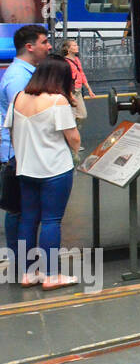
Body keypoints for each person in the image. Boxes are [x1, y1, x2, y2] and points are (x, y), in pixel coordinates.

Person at [7, 56, 80, 288]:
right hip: (55, 170)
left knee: (28, 220)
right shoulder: (58, 101)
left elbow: (11, 132)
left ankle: (28, 274)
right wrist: (76, 154)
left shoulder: (18, 98)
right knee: (51, 221)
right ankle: (51, 275)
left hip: (25, 169)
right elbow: (73, 137)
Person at [1, 24, 51, 275]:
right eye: (44, 42)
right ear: (30, 47)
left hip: (19, 149)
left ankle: (21, 260)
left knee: (19, 209)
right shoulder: (19, 77)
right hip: (17, 152)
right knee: (20, 210)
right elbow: (23, 114)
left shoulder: (24, 72)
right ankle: (22, 263)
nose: (49, 46)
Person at [59, 39, 95, 129]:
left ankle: (75, 131)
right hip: (71, 90)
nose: (77, 47)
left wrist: (89, 89)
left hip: (78, 90)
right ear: (68, 48)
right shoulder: (65, 62)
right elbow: (65, 79)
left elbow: (81, 74)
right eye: (74, 45)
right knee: (72, 115)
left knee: (82, 114)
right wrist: (70, 94)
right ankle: (71, 135)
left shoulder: (77, 60)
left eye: (76, 45)